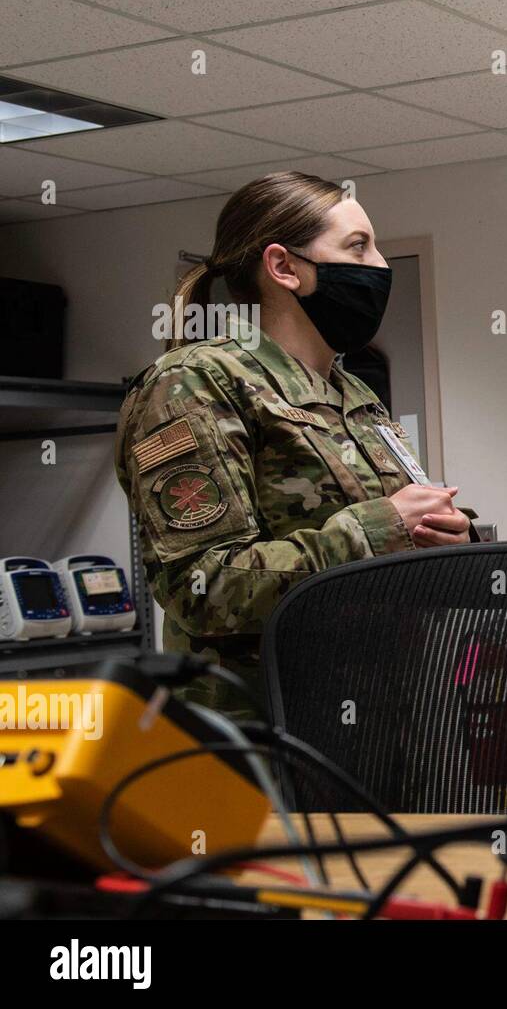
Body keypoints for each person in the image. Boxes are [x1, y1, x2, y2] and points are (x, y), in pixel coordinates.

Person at [115, 172, 469, 713]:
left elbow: (400, 527)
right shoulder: (197, 381)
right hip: (267, 730)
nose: (379, 266)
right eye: (358, 246)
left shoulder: (351, 390)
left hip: (383, 710)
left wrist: (450, 531)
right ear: (283, 267)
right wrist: (379, 528)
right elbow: (202, 585)